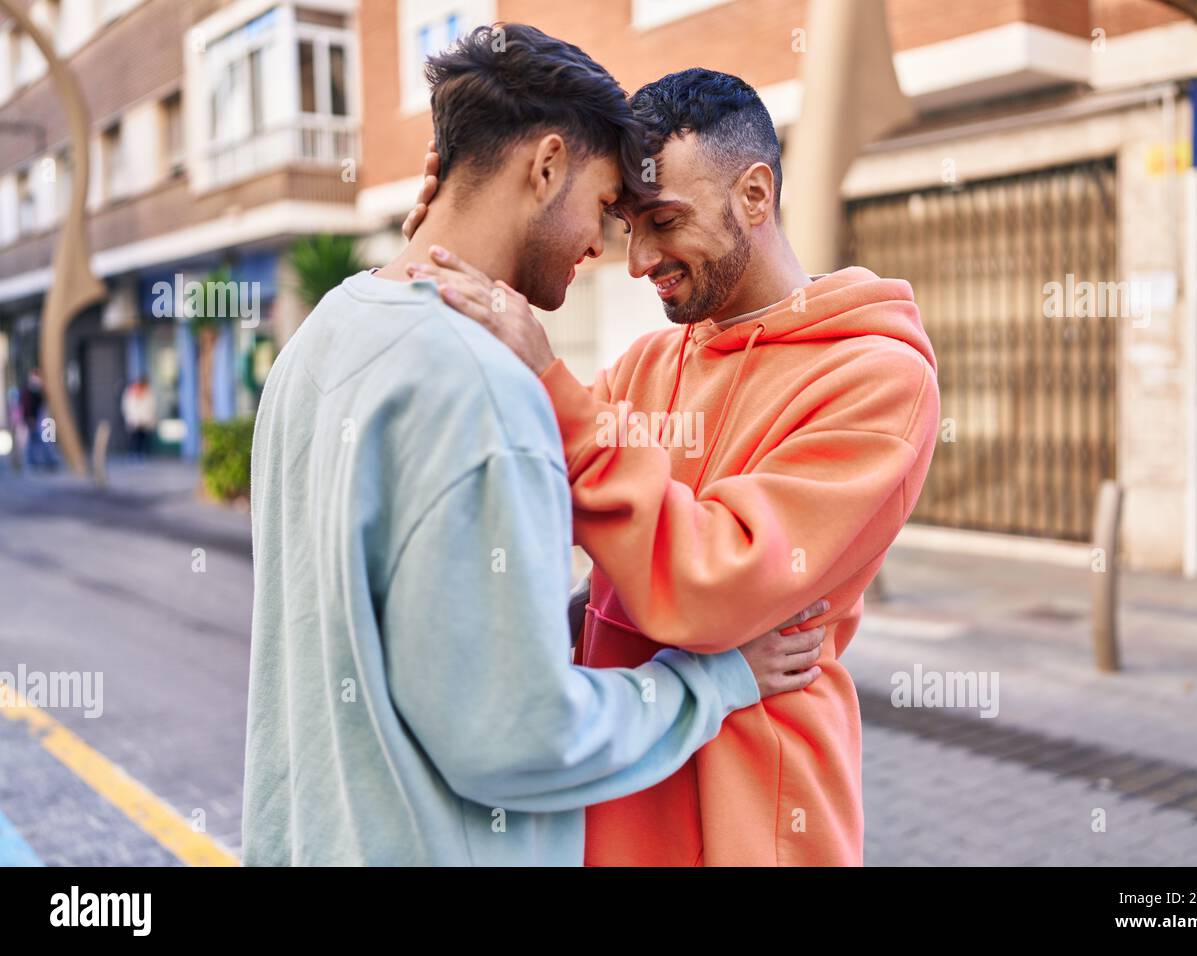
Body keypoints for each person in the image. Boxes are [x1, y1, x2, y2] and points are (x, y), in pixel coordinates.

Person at [241, 24, 825, 867]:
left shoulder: (320, 338)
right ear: (546, 165)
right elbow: (518, 739)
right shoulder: (485, 388)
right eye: (601, 208)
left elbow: (405, 627)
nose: (602, 250)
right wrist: (717, 682)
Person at [407, 68, 941, 866]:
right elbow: (513, 473)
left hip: (756, 817)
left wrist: (557, 391)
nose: (638, 259)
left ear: (755, 196)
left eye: (663, 220)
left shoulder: (879, 379)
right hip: (621, 789)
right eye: (625, 225)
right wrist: (451, 260)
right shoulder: (649, 362)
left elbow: (714, 585)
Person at [20, 368, 57, 471]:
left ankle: (45, 461)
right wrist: (29, 418)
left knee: (43, 440)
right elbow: (27, 405)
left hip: (42, 419)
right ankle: (34, 461)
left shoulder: (39, 390)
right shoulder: (29, 390)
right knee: (34, 441)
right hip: (34, 419)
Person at [120, 376, 156, 457]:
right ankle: (134, 453)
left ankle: (144, 453)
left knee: (144, 437)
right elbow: (126, 408)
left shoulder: (148, 394)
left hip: (145, 420)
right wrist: (131, 419)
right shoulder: (129, 395)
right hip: (134, 420)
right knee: (134, 438)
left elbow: (150, 408)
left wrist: (147, 419)